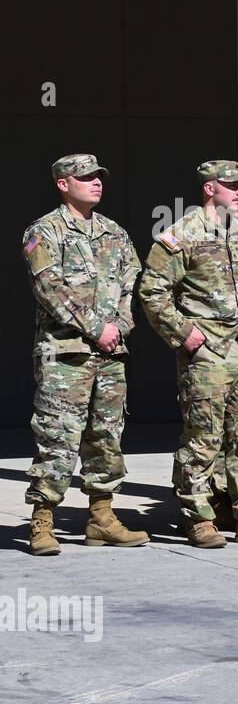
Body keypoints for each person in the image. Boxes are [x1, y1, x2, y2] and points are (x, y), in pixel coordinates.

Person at [137, 159, 238, 549]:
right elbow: (152, 292)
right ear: (210, 188)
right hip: (207, 356)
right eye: (234, 186)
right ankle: (198, 518)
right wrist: (185, 334)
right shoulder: (181, 235)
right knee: (202, 438)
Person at [22, 153, 148, 555]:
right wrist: (98, 329)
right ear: (63, 184)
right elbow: (49, 289)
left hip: (111, 354)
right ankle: (42, 521)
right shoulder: (44, 232)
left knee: (107, 437)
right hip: (66, 355)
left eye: (98, 177)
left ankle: (102, 517)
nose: (96, 183)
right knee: (57, 436)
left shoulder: (115, 232)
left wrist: (121, 326)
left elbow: (132, 283)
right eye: (86, 178)